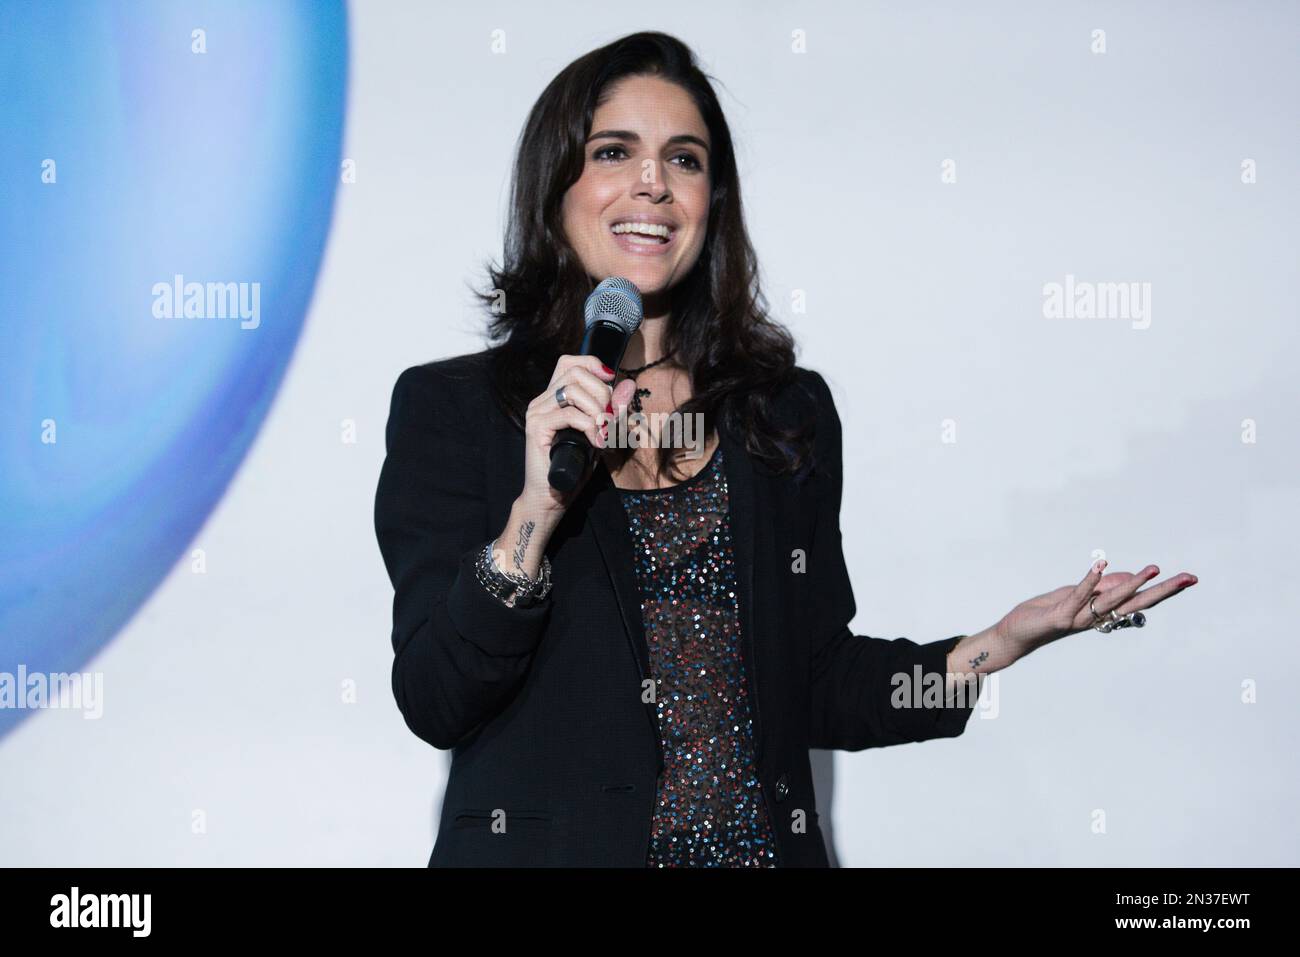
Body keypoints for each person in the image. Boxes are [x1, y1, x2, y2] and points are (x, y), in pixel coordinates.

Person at [373, 31, 1198, 868]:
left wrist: (1001, 641)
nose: (654, 182)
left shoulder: (781, 412)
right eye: (614, 152)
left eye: (685, 159)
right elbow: (437, 697)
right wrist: (535, 511)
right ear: (555, 185)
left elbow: (818, 682)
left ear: (713, 200)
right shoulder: (456, 411)